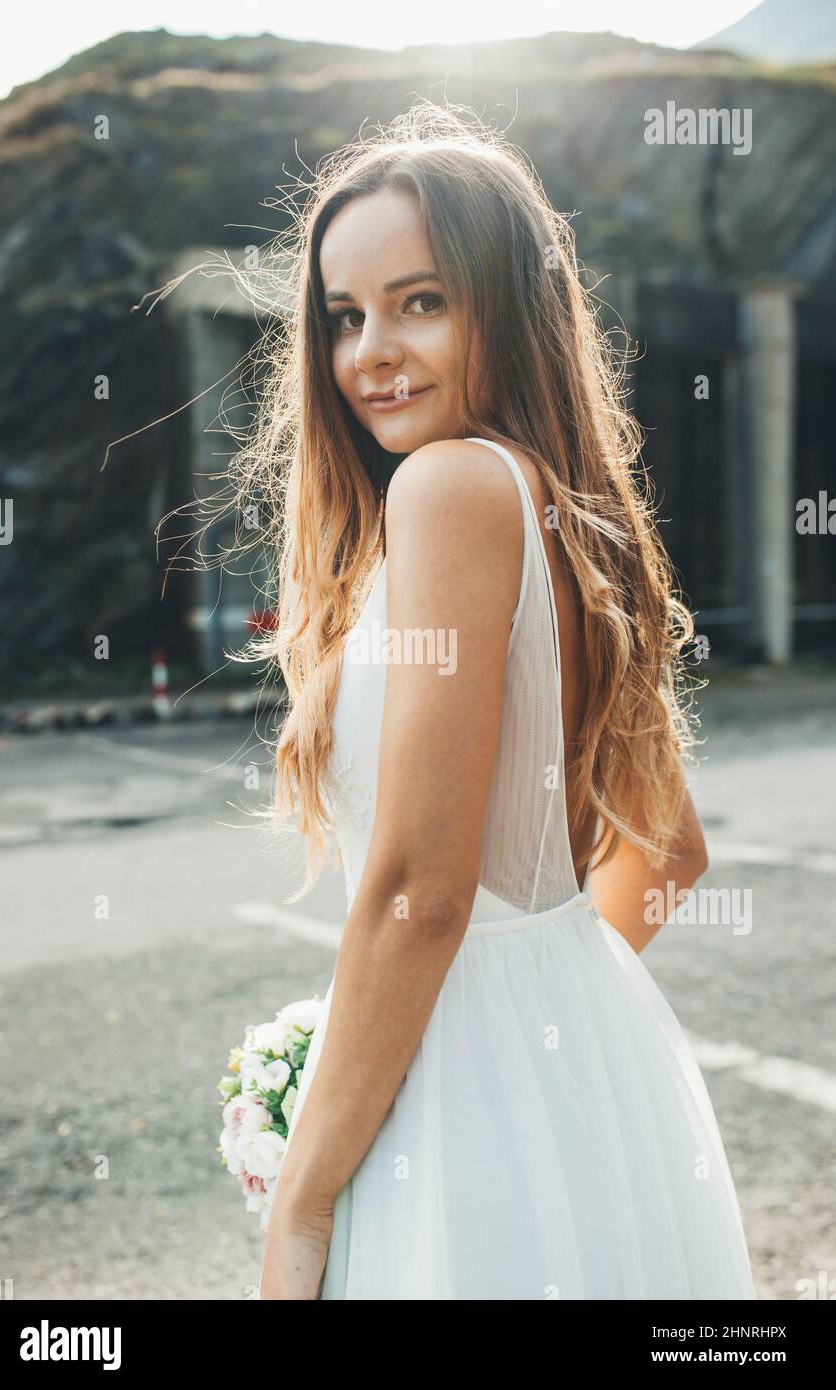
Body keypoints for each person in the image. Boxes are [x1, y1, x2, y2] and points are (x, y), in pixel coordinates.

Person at [245, 100, 756, 1300]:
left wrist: (306, 1193)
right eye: (343, 316)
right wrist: (542, 1018)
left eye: (420, 301)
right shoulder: (556, 508)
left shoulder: (448, 490)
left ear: (509, 308)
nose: (371, 348)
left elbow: (424, 891)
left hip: (466, 1108)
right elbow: (668, 852)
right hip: (587, 1079)